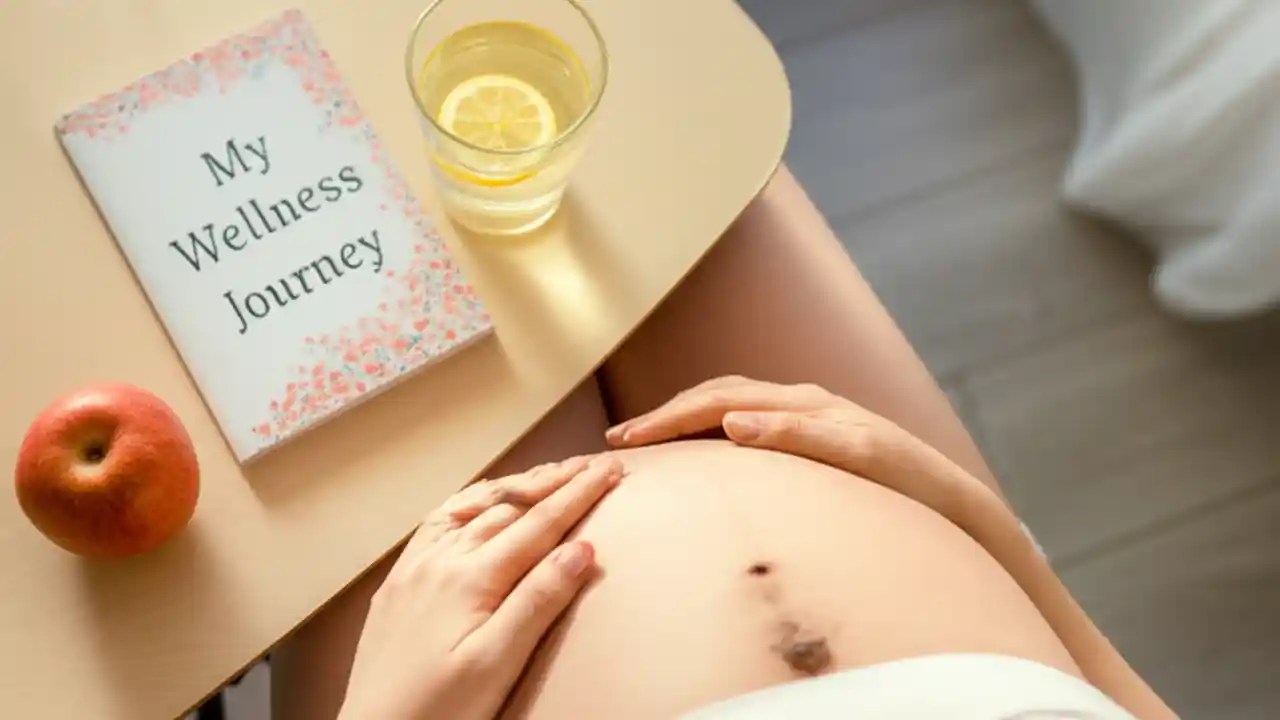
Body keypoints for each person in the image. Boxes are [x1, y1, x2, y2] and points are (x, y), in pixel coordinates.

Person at [271, 167, 1178, 720]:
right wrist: (997, 540)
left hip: (452, 649)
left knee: (346, 225)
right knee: (657, 143)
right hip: (927, 539)